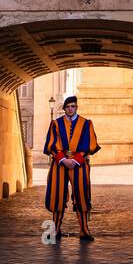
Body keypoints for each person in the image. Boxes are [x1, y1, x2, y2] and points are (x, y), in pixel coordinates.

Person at [43, 94, 100, 241]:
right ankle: (55, 229)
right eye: (67, 107)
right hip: (59, 165)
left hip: (79, 164)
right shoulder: (56, 124)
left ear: (76, 107)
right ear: (64, 109)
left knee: (82, 195)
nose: (70, 109)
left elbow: (90, 144)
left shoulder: (86, 123)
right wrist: (62, 159)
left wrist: (74, 161)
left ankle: (84, 230)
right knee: (57, 196)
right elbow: (51, 144)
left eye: (73, 106)